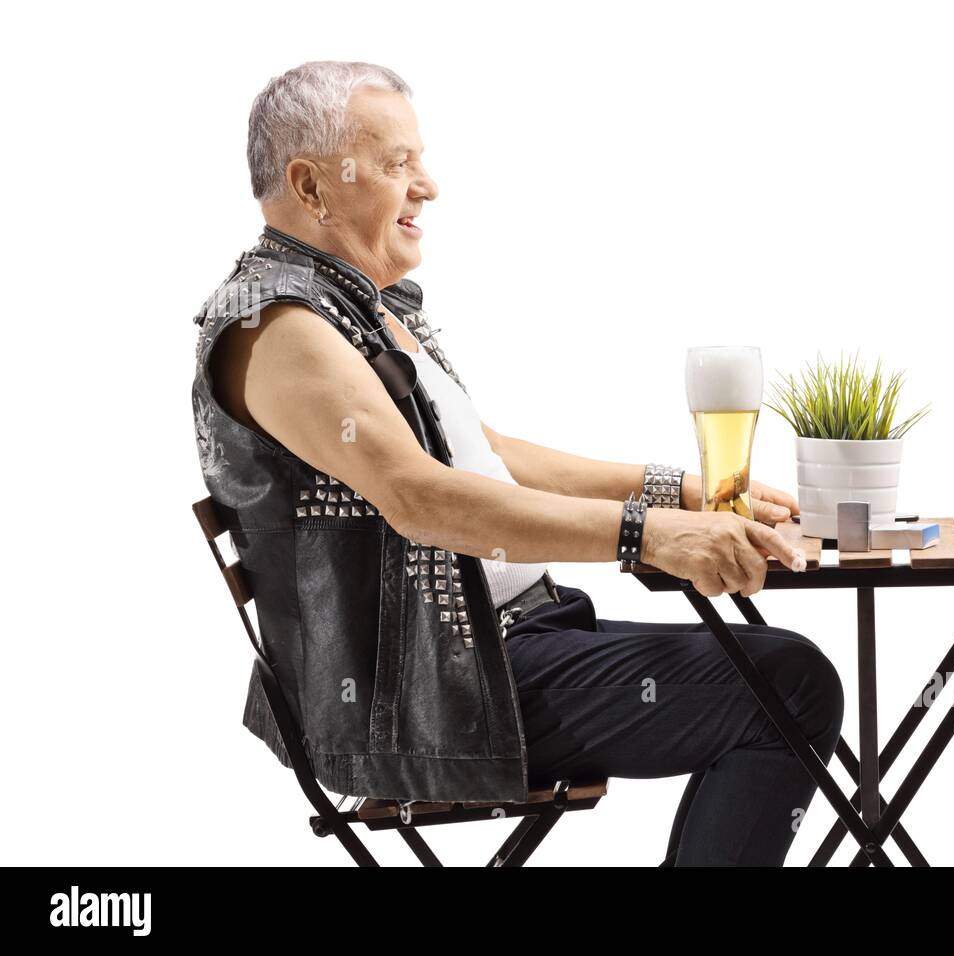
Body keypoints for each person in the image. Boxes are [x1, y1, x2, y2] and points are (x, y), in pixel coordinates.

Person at [194, 60, 844, 865]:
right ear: (312, 185)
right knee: (786, 685)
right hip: (435, 692)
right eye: (397, 164)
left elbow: (489, 459)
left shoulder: (355, 306)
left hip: (503, 646)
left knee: (782, 676)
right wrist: (649, 536)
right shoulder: (279, 324)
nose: (426, 186)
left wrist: (676, 491)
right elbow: (420, 496)